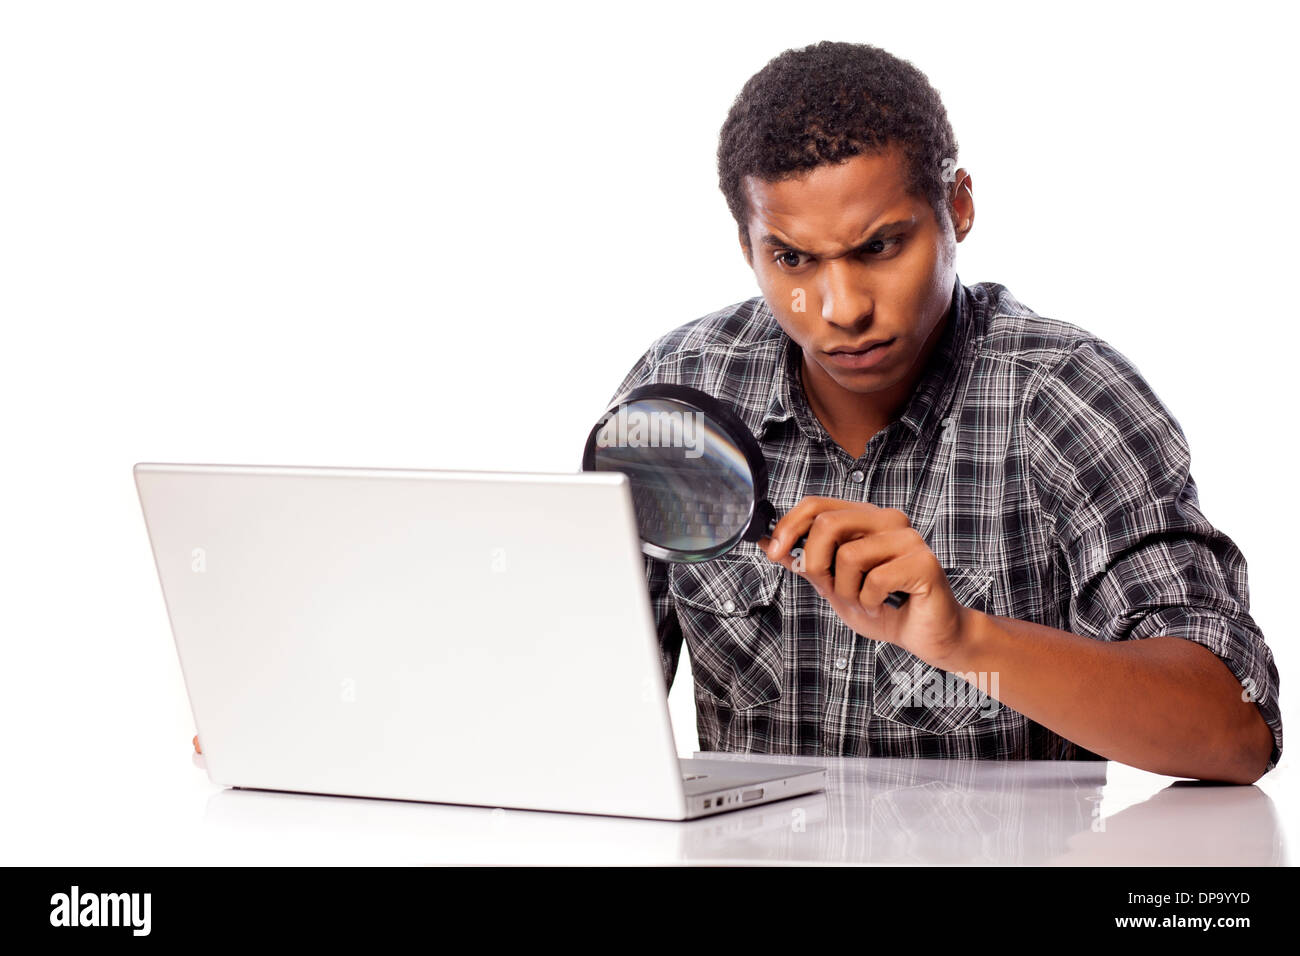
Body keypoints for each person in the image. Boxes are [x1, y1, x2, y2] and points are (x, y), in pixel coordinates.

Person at [602, 40, 1281, 783]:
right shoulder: (684, 385)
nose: (842, 310)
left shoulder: (1065, 397)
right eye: (793, 259)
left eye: (880, 246)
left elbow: (1234, 731)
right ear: (747, 245)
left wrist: (965, 639)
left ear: (956, 205)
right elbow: (582, 700)